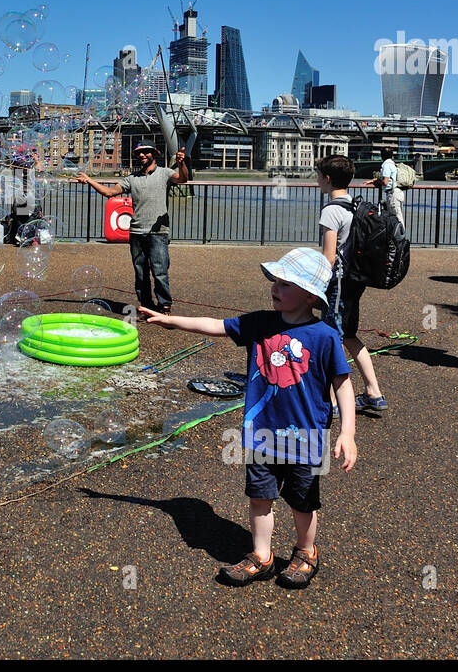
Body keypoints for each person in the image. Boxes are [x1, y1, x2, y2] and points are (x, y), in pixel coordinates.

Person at [141, 248, 357, 589]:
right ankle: (262, 555)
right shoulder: (260, 323)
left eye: (285, 284)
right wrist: (172, 321)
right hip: (261, 431)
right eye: (275, 281)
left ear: (309, 295)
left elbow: (343, 385)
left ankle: (306, 551)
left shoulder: (325, 335)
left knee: (303, 502)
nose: (275, 288)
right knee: (260, 497)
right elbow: (215, 326)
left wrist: (348, 433)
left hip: (307, 434)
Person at [76, 142, 189, 313]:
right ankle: (146, 306)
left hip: (158, 232)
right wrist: (90, 180)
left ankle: (164, 305)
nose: (142, 155)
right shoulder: (131, 178)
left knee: (160, 272)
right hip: (136, 232)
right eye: (139, 153)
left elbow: (182, 179)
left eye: (145, 152)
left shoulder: (165, 173)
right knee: (141, 274)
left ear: (154, 154)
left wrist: (181, 164)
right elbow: (109, 193)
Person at [316, 154, 389, 415]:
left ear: (326, 179)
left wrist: (313, 285)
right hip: (356, 281)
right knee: (348, 335)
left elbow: (329, 256)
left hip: (338, 284)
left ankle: (332, 403)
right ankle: (373, 391)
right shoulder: (355, 206)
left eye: (318, 176)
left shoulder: (331, 210)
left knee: (330, 340)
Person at [368, 147, 405, 229]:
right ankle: (397, 237)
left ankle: (400, 238)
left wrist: (377, 181)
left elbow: (385, 182)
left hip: (393, 194)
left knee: (397, 218)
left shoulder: (386, 165)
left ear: (382, 156)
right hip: (398, 193)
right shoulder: (392, 164)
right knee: (397, 216)